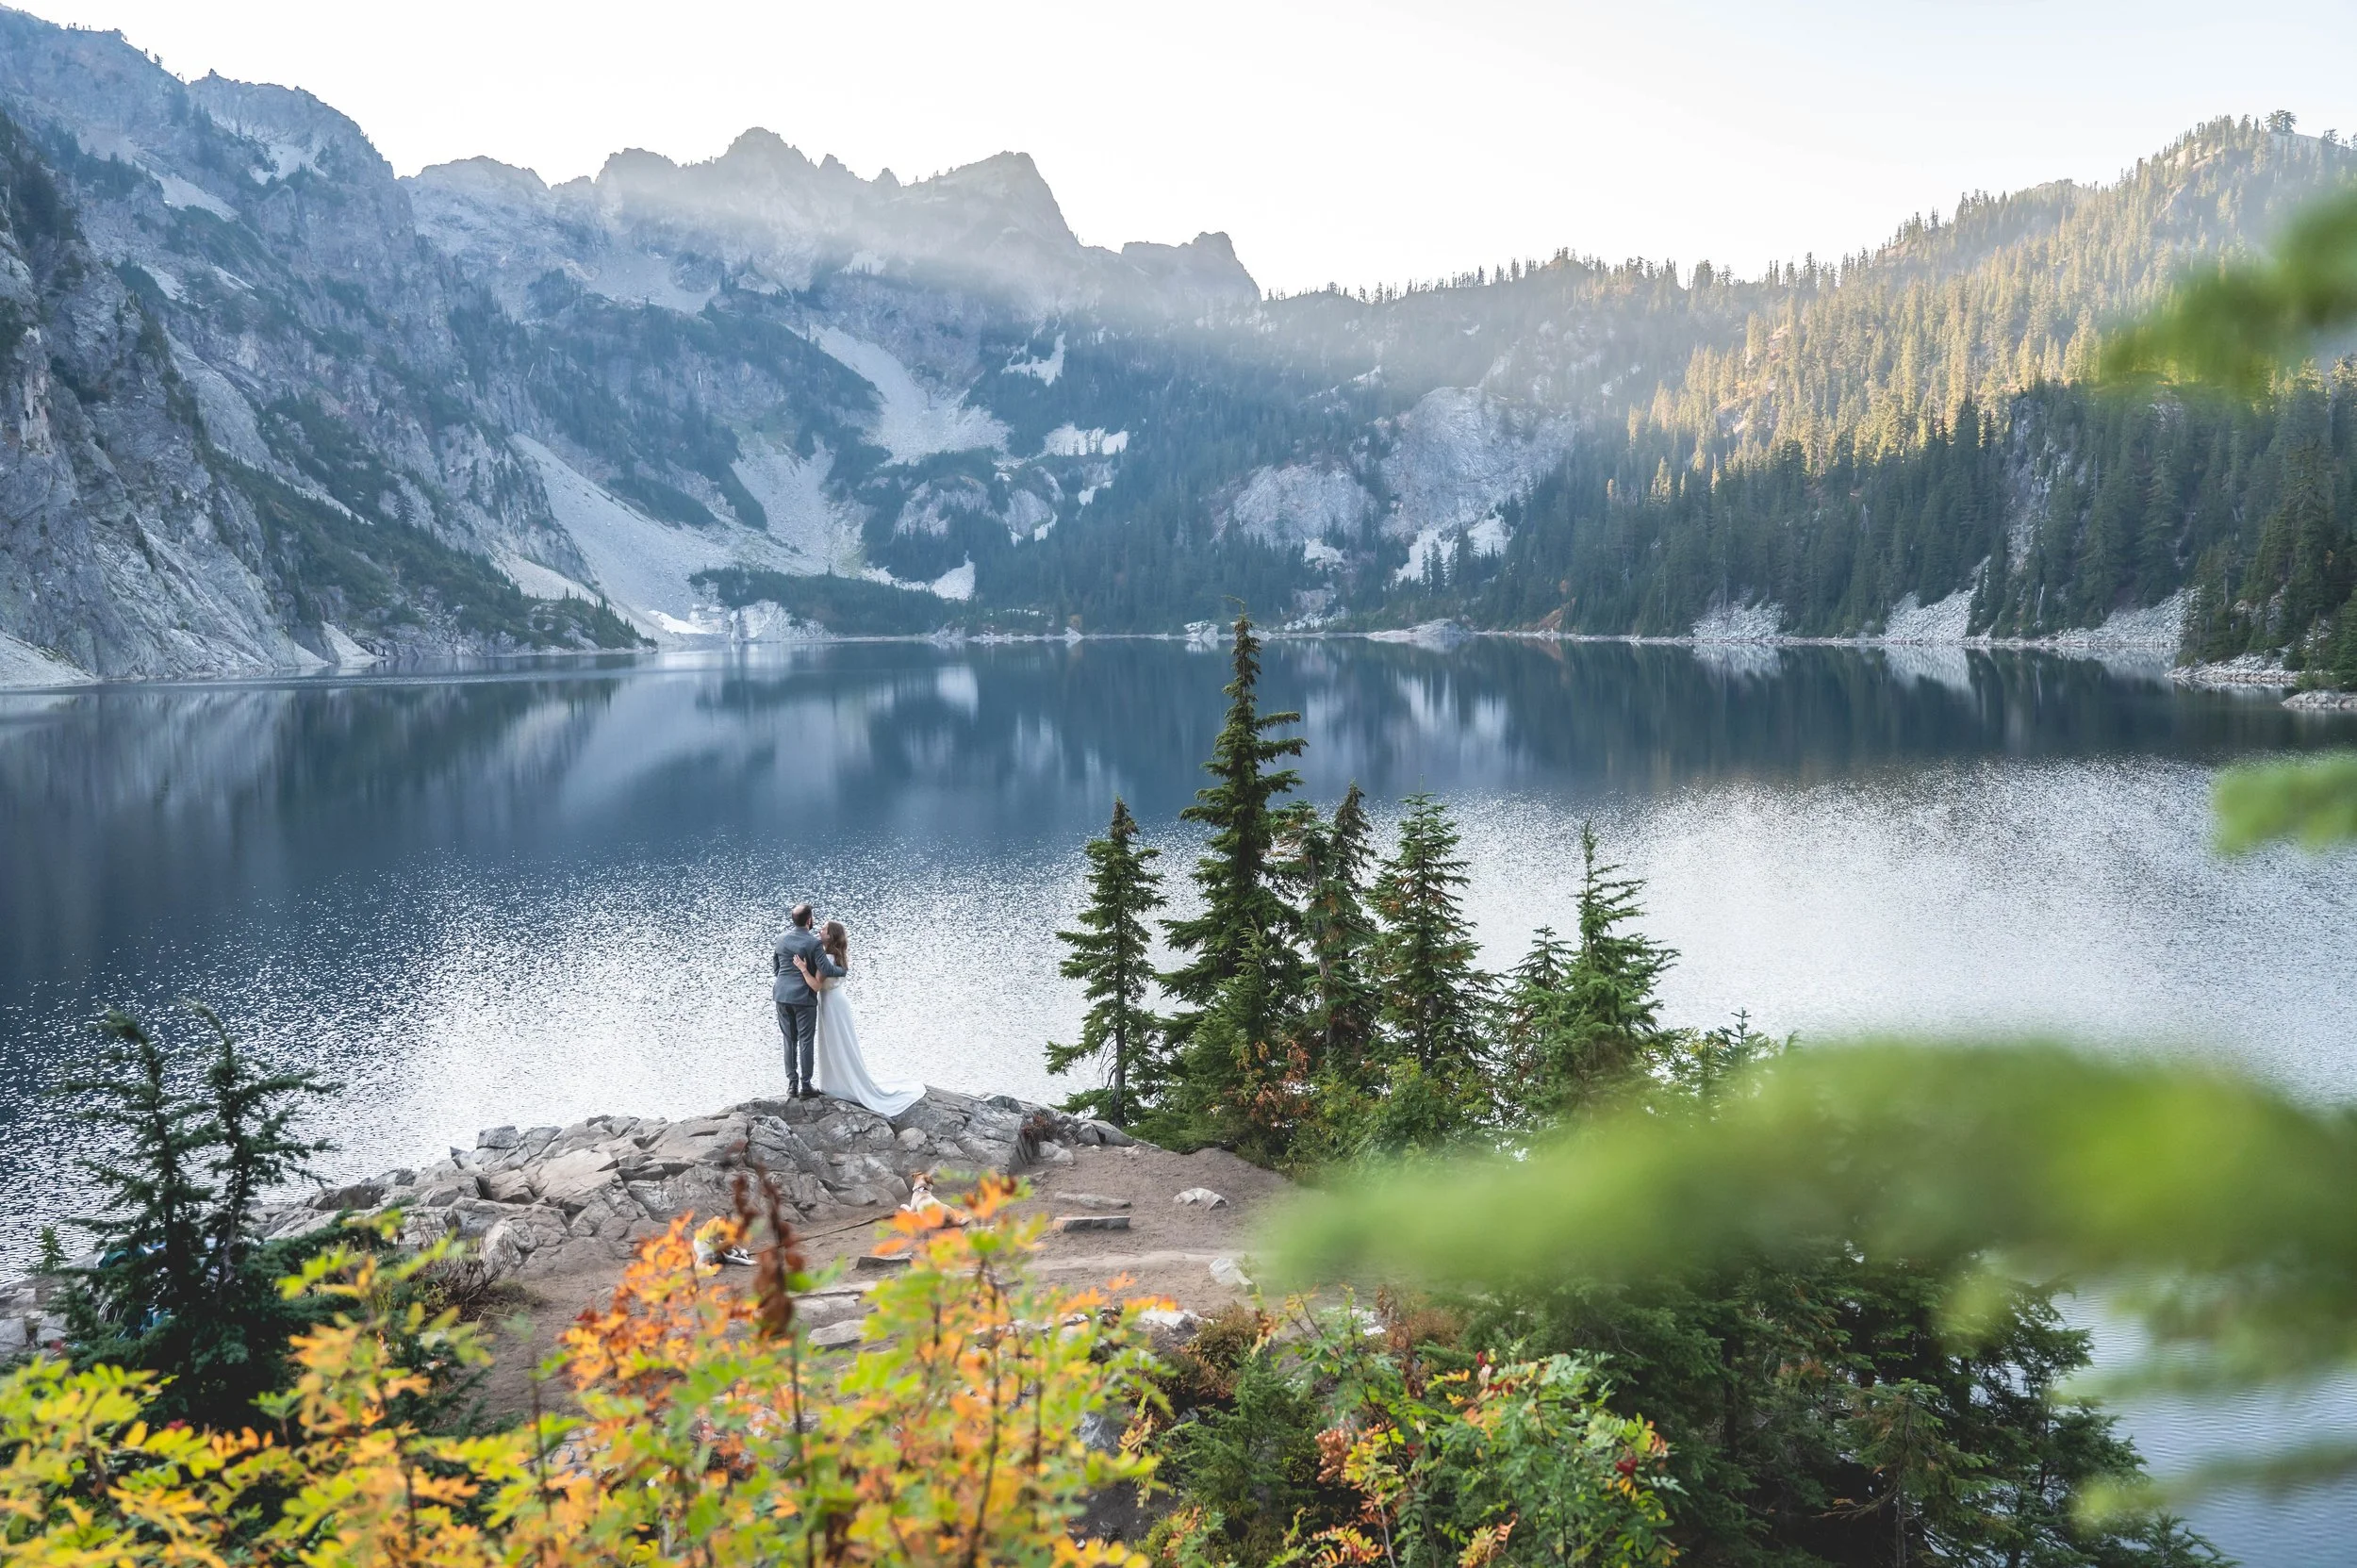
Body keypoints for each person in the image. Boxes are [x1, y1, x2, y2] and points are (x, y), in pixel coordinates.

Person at [794, 919, 924, 1117]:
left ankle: (839, 1085)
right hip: (837, 1002)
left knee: (836, 1043)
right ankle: (841, 1083)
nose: (820, 930)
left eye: (824, 929)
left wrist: (802, 969)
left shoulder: (826, 959)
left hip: (832, 1005)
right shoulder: (838, 956)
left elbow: (816, 986)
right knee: (841, 1044)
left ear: (830, 936)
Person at [771, 903, 842, 1099]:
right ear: (809, 920)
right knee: (806, 1041)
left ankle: (792, 1085)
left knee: (789, 1040)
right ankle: (806, 1085)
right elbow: (827, 969)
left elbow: (776, 969)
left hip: (781, 995)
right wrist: (843, 970)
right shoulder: (813, 943)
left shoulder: (781, 938)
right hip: (803, 998)